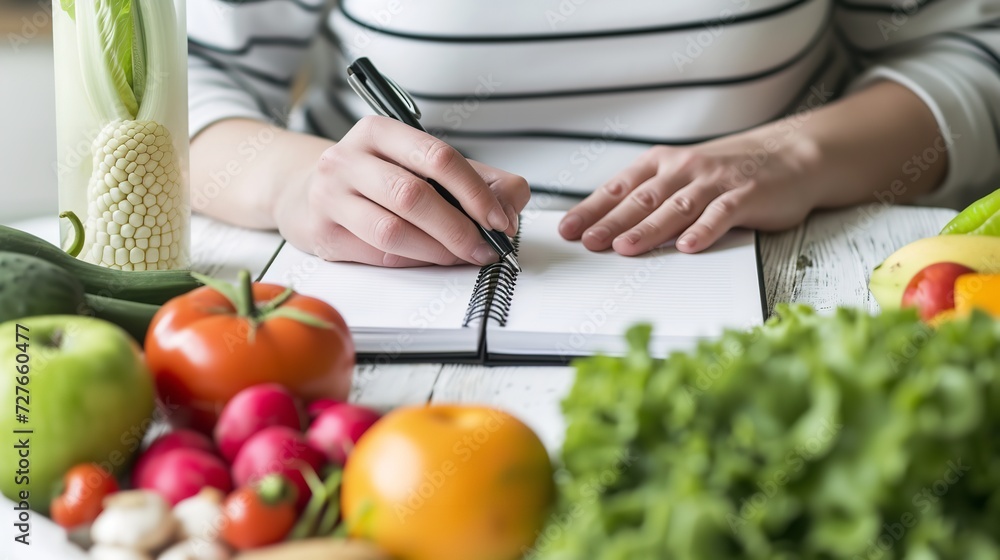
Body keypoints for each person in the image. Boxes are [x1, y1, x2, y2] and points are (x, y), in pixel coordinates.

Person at [188, 0, 1000, 267]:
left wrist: (804, 152)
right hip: (371, 289)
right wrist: (297, 180)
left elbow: (966, 49)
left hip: (772, 271)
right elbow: (165, 89)